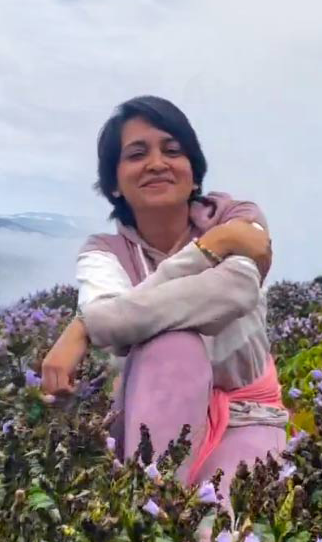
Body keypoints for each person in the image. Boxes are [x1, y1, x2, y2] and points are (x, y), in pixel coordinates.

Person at [39, 95, 286, 498]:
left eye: (173, 151)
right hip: (149, 415)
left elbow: (236, 289)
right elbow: (112, 323)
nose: (157, 163)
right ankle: (153, 501)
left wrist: (89, 326)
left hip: (245, 412)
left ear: (194, 171)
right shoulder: (103, 251)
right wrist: (210, 250)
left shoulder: (235, 216)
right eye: (137, 154)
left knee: (217, 538)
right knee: (173, 346)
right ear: (114, 183)